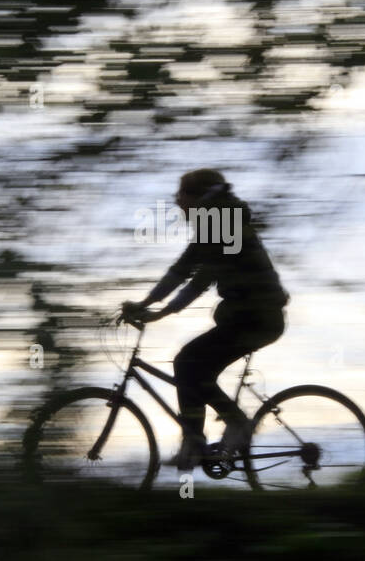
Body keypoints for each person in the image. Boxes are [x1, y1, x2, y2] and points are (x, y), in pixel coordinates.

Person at [121, 169, 288, 470]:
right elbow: (182, 268)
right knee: (193, 368)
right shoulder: (216, 222)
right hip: (248, 316)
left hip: (256, 317)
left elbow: (201, 278)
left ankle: (220, 431)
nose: (177, 201)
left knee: (188, 362)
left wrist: (163, 311)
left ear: (200, 196)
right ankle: (200, 437)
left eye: (181, 194)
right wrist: (146, 303)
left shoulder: (226, 223)